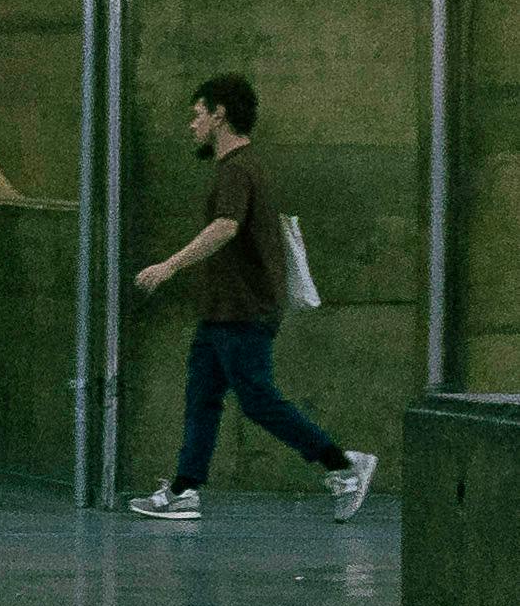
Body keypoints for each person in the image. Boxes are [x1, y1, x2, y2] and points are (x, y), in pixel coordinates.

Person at [131, 74, 377, 522]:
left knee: (258, 399)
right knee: (202, 396)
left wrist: (168, 266)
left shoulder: (238, 169)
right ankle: (185, 489)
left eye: (198, 114)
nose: (193, 125)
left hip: (243, 310)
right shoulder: (242, 168)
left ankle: (342, 466)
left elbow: (226, 226)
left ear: (219, 114)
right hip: (223, 311)